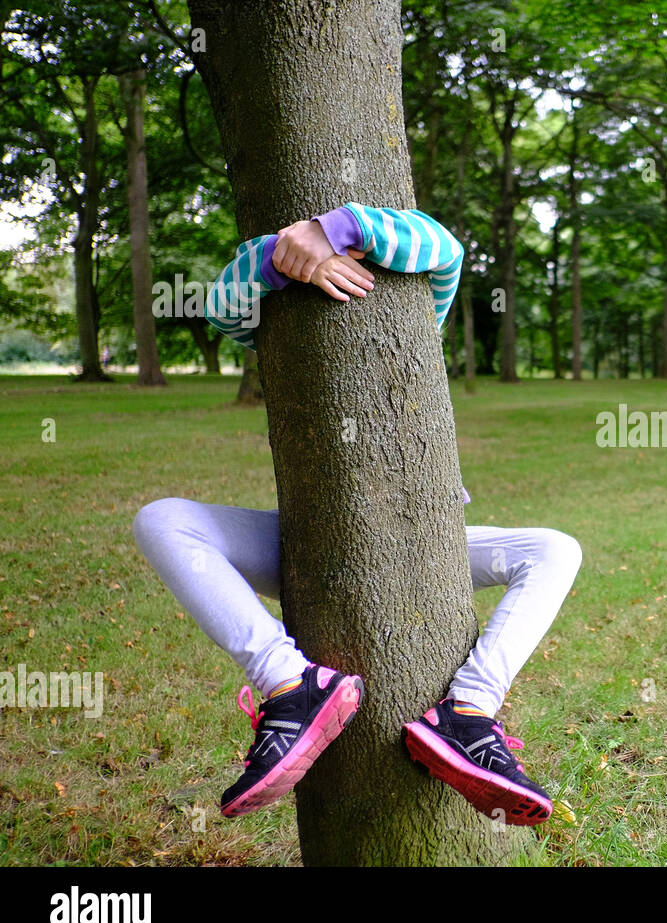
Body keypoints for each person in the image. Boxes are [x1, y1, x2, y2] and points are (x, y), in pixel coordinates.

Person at [131, 201, 581, 826]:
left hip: (425, 532)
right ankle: (292, 687)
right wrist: (284, 256)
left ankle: (468, 713)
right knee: (161, 518)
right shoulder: (264, 300)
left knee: (555, 548)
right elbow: (220, 305)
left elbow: (443, 248)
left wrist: (332, 231)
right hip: (313, 536)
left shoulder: (424, 297)